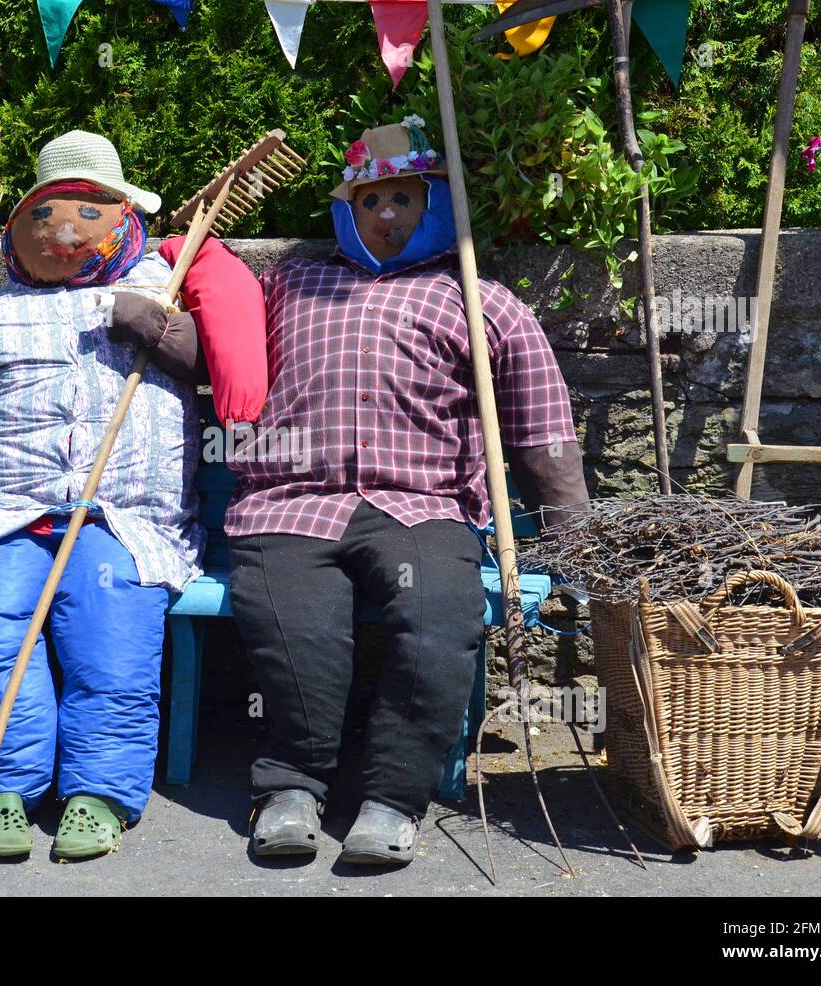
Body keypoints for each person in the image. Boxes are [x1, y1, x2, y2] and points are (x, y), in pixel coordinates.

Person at [0, 130, 267, 861]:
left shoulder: (163, 278)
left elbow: (219, 351)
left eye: (89, 210)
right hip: (2, 510)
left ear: (123, 215)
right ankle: (4, 785)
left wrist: (152, 319)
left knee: (111, 636)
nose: (64, 231)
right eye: (47, 214)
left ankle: (99, 790)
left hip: (123, 518)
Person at [229, 118, 587, 865]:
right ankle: (291, 786)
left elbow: (541, 435)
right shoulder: (290, 282)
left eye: (403, 197)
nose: (385, 214)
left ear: (438, 206)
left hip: (421, 507)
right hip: (291, 501)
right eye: (369, 201)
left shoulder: (482, 301)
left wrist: (575, 544)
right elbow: (219, 346)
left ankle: (393, 797)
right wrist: (162, 299)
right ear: (345, 213)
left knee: (436, 619)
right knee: (295, 625)